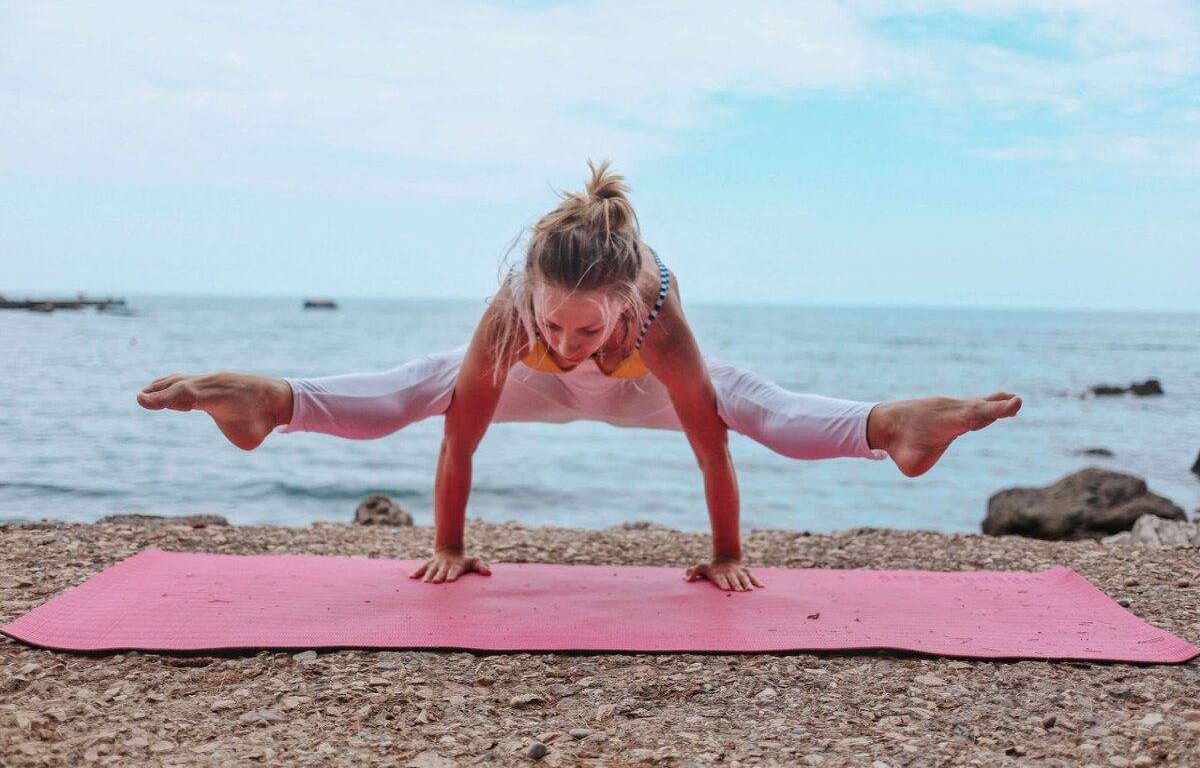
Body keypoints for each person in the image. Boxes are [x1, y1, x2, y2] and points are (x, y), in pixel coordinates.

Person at [137, 160, 1022, 593]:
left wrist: (725, 556)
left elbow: (711, 443)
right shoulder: (516, 315)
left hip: (640, 393)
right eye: (552, 319)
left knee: (749, 404)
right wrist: (446, 544)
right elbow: (460, 431)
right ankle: (268, 401)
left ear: (628, 304)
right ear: (530, 291)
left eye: (586, 325)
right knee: (419, 383)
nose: (566, 338)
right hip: (528, 393)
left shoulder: (659, 320)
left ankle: (896, 424)